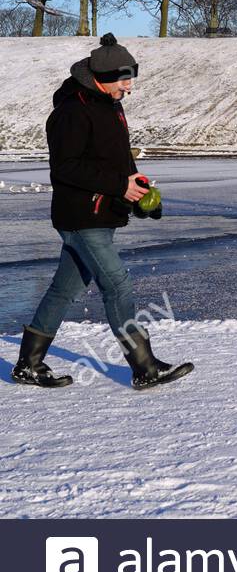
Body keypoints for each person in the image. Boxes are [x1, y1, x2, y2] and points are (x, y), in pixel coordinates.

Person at [11, 34, 193, 391]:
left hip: (100, 213)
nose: (129, 86)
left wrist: (138, 191)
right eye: (123, 79)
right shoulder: (71, 111)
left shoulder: (110, 104)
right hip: (81, 217)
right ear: (101, 77)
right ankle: (144, 367)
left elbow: (117, 158)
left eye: (131, 78)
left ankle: (28, 365)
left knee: (62, 290)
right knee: (117, 285)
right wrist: (118, 185)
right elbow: (65, 167)